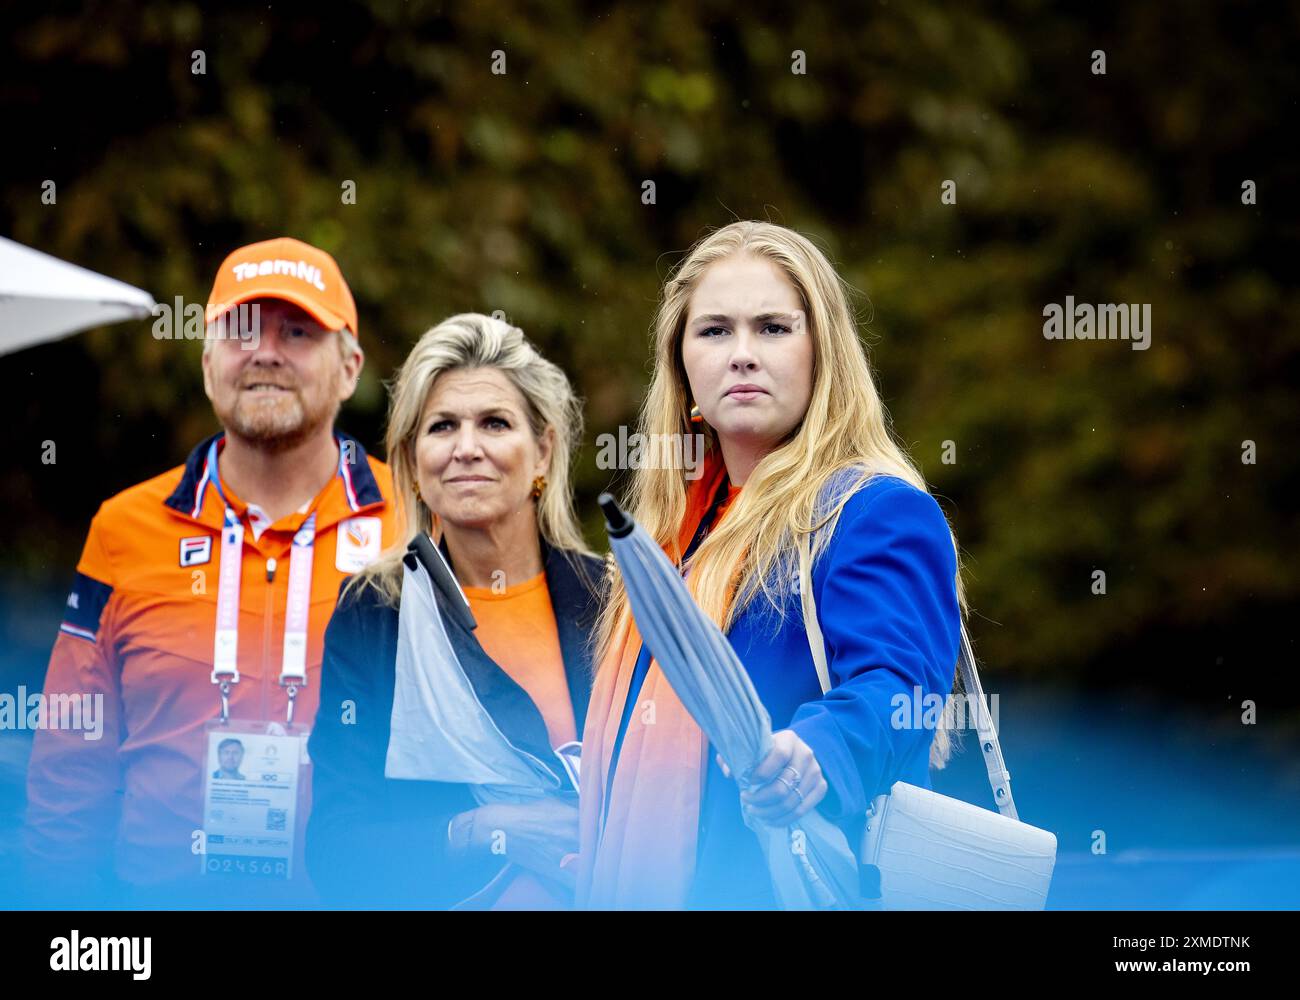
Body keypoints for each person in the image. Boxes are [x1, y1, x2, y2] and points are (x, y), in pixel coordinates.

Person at [576, 221, 966, 909]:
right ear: (683, 369)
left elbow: (898, 685)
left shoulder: (874, 511)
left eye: (774, 329)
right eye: (716, 331)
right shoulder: (673, 545)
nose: (743, 355)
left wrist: (818, 752)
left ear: (824, 355)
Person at [24, 237, 399, 907]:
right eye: (240, 330)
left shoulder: (418, 523)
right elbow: (69, 769)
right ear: (206, 365)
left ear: (349, 370)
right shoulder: (122, 529)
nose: (264, 351)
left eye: (298, 332)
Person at [307, 313, 604, 909]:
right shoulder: (376, 614)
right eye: (442, 427)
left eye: (495, 423)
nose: (467, 449)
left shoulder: (614, 599)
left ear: (542, 451)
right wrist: (488, 833)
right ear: (413, 462)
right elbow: (336, 851)